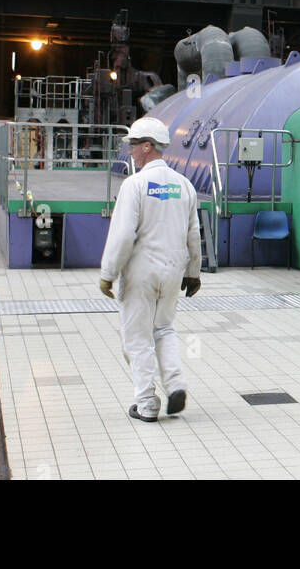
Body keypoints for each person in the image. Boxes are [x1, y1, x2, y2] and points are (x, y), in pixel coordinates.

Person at [99, 116, 202, 422]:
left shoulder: (136, 185)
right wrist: (193, 273)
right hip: (172, 270)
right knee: (165, 328)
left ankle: (146, 404)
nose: (130, 151)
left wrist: (108, 273)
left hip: (142, 271)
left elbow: (122, 235)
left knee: (137, 337)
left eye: (133, 145)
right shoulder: (184, 185)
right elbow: (193, 233)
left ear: (148, 146)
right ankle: (175, 384)